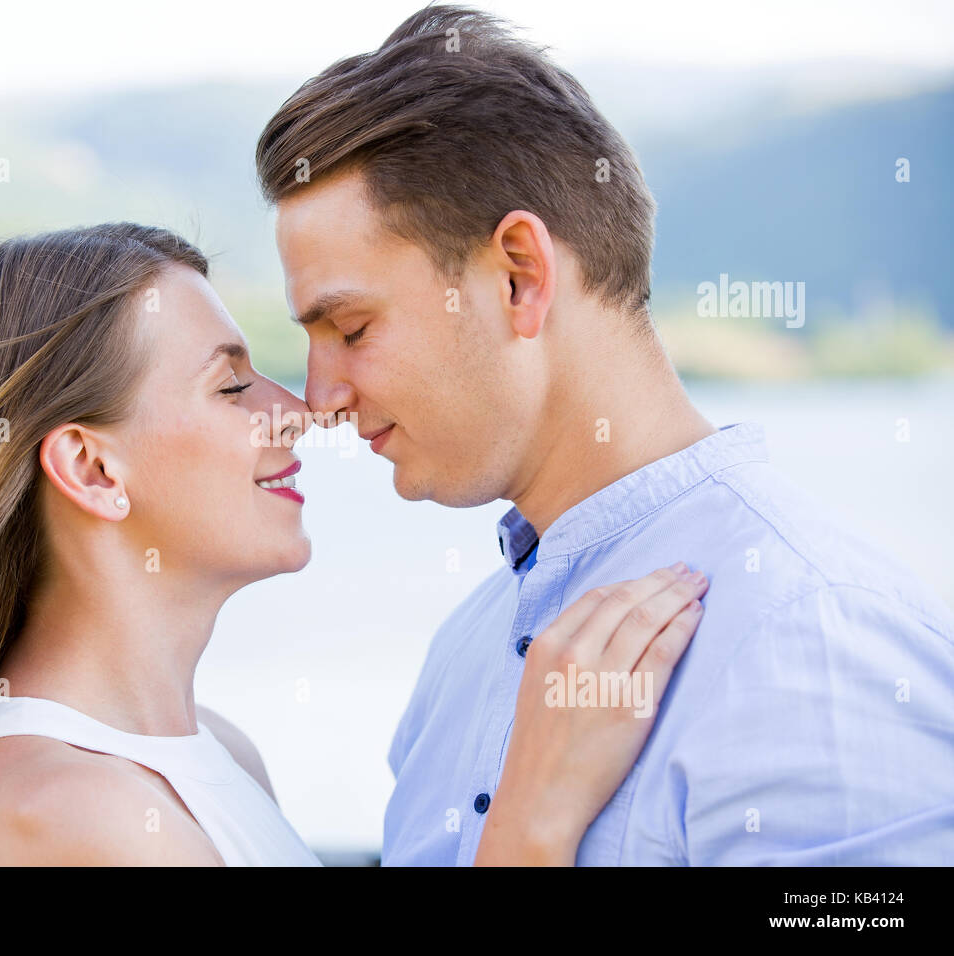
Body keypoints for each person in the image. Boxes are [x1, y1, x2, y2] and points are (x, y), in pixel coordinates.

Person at [254, 4, 954, 864]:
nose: (319, 398)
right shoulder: (461, 662)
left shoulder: (810, 635)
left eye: (352, 329)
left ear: (520, 277)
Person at [0, 222, 708, 866]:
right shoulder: (58, 813)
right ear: (92, 470)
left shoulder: (213, 753)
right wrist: (532, 821)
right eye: (231, 389)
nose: (298, 412)